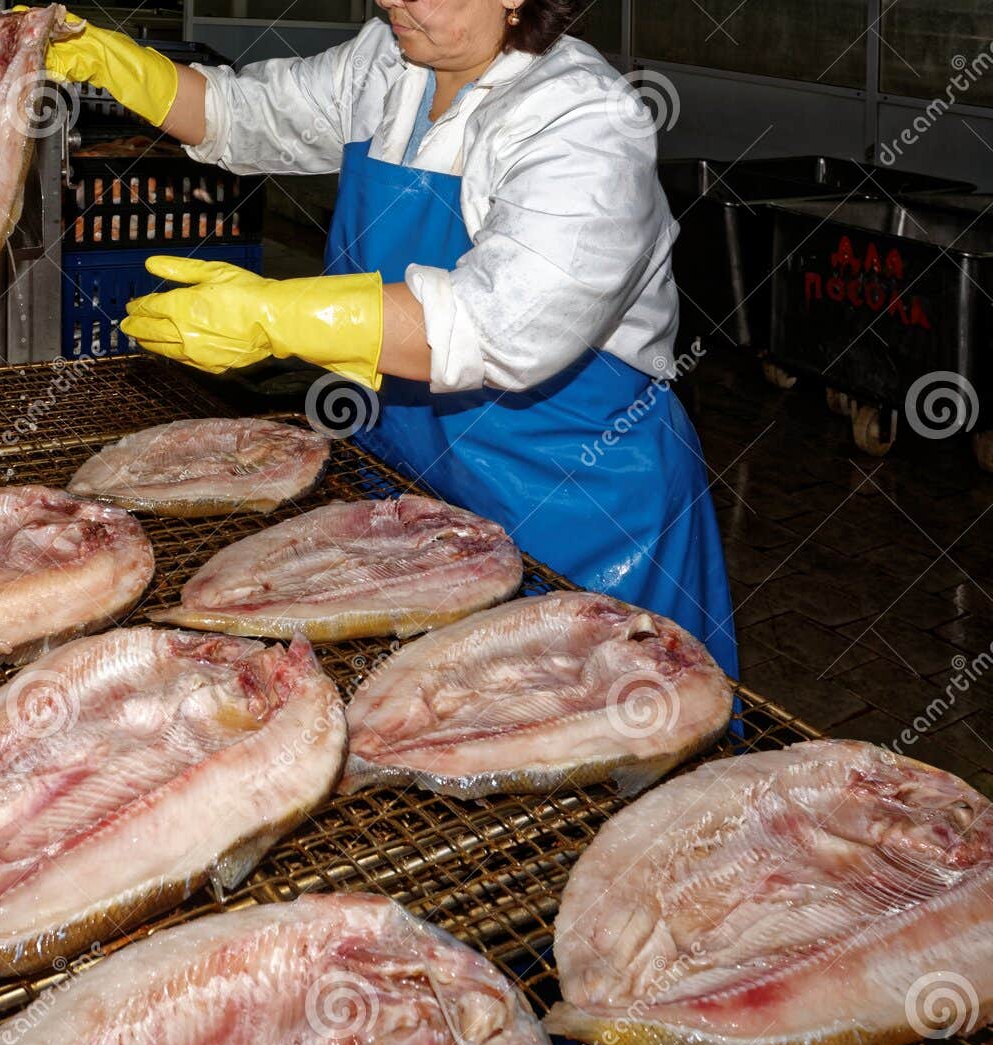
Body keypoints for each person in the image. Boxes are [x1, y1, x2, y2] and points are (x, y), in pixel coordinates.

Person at [44, 0, 738, 675]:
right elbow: (243, 114)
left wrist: (277, 317)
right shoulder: (386, 60)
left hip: (573, 495)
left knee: (593, 716)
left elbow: (502, 323)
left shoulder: (585, 119)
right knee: (434, 706)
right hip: (414, 466)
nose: (388, 0)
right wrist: (117, 63)